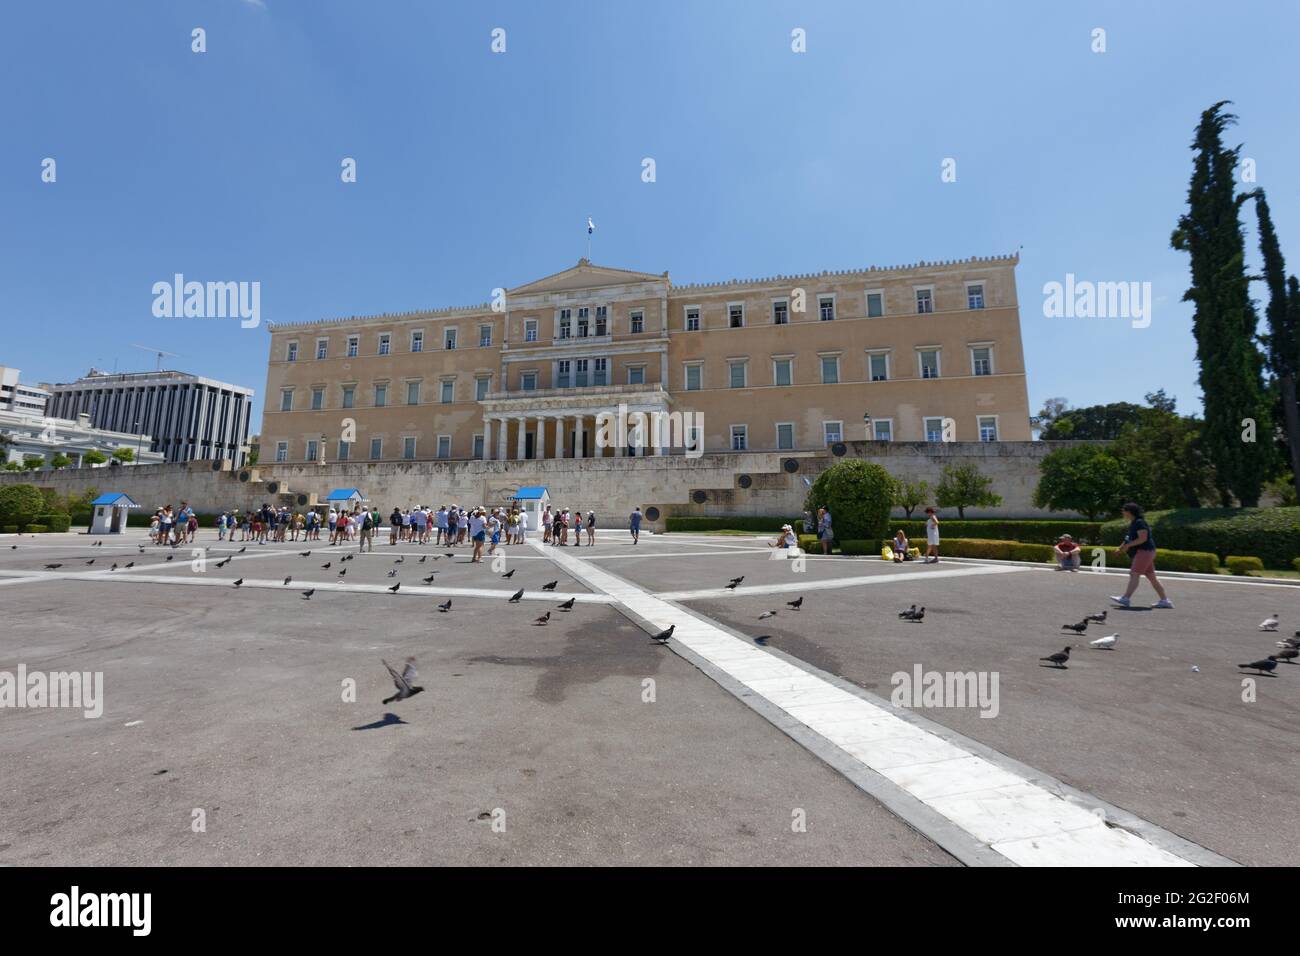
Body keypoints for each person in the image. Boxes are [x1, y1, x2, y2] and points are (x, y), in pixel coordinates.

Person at [1111, 502, 1172, 608]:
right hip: (1146, 552)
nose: (1122, 512)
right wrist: (1120, 549)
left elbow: (1143, 538)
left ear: (1129, 512)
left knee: (1134, 574)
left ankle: (1126, 598)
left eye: (1123, 510)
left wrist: (1128, 545)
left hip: (1144, 551)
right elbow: (1127, 539)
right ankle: (1165, 600)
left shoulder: (1140, 522)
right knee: (1152, 577)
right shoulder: (1134, 523)